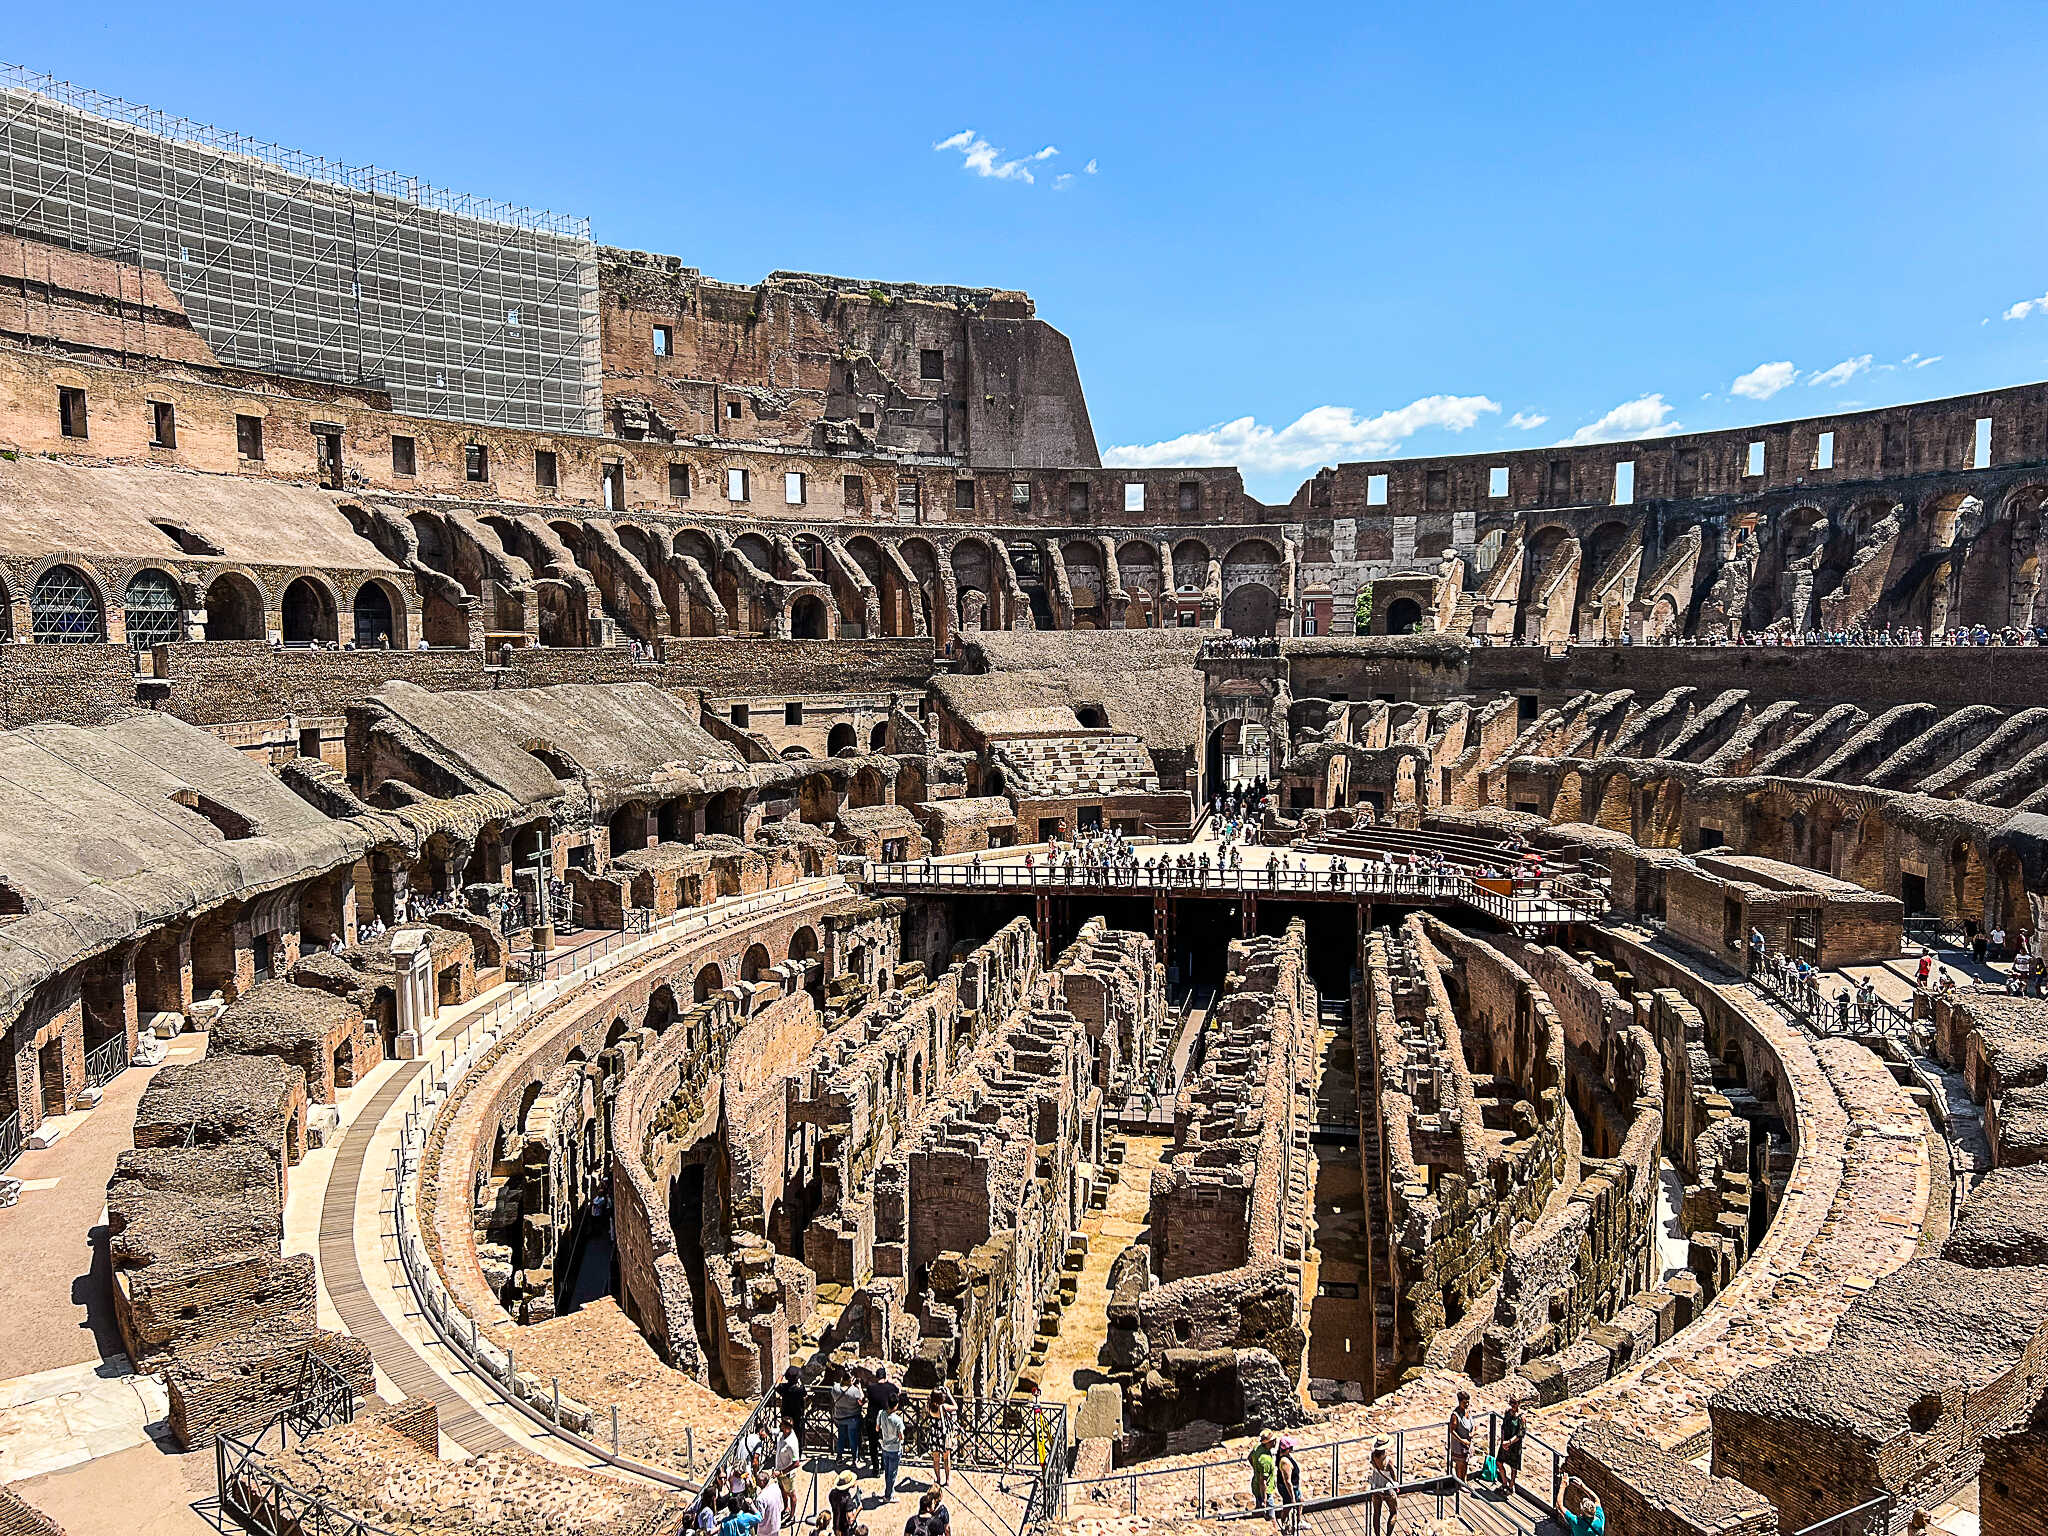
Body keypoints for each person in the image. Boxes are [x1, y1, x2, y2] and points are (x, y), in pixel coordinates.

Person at [830, 1370, 864, 1467]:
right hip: (852, 1418)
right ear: (850, 1380)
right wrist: (859, 1387)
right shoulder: (854, 1391)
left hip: (839, 1417)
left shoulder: (835, 1388)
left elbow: (835, 1394)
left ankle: (839, 1458)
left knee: (841, 1438)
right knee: (853, 1439)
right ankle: (854, 1459)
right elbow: (861, 1400)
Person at [1366, 1437, 1398, 1536]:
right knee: (1393, 1512)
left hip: (1376, 1488)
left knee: (1376, 1514)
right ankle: (1388, 1535)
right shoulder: (1388, 1461)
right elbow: (1394, 1477)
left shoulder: (1373, 1456)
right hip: (1387, 1489)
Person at [925, 1386, 956, 1488]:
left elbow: (929, 1400)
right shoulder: (943, 1407)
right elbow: (955, 1407)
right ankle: (947, 1479)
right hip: (943, 1434)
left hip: (934, 1434)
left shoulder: (928, 1406)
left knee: (936, 1459)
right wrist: (949, 1395)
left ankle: (938, 1479)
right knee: (946, 1458)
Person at [877, 1397, 906, 1503]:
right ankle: (888, 1496)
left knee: (887, 1472)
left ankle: (889, 1491)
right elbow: (901, 1436)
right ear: (896, 1405)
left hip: (885, 1447)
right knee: (892, 1473)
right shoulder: (898, 1420)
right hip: (895, 1448)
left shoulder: (881, 1413)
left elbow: (877, 1428)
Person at [1497, 1397, 1526, 1496]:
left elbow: (1520, 1434)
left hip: (1515, 1446)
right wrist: (1503, 1442)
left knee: (1514, 1468)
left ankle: (1511, 1486)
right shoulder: (1507, 1412)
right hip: (1505, 1443)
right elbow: (1503, 1427)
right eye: (1511, 1402)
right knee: (1499, 1462)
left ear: (1519, 1403)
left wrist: (1509, 1443)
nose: (1512, 1405)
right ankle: (1504, 1483)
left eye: (1515, 1403)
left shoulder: (1521, 1417)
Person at [1447, 1390, 1475, 1482]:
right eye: (1464, 1403)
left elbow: (1473, 1424)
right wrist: (1462, 1440)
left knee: (1466, 1462)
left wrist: (1472, 1432)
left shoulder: (1468, 1411)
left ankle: (1465, 1481)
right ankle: (1459, 1483)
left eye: (1467, 1402)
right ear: (1459, 1402)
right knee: (1460, 1464)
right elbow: (1452, 1431)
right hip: (1459, 1444)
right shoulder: (1455, 1415)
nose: (1466, 1404)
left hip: (1467, 1442)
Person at [776, 1417, 802, 1507]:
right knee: (782, 1490)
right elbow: (773, 1432)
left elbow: (796, 1463)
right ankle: (786, 1507)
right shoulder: (781, 1433)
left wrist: (782, 1472)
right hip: (779, 1470)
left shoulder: (792, 1443)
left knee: (791, 1494)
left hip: (787, 1474)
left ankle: (792, 1515)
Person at [1248, 1429, 1278, 1509]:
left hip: (1256, 1486)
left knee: (1260, 1510)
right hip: (1265, 1491)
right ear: (1270, 1442)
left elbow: (1249, 1457)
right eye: (1274, 1440)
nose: (1276, 1441)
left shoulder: (1257, 1447)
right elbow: (1263, 1482)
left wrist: (1257, 1469)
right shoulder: (1265, 1460)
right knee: (1270, 1514)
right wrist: (1264, 1500)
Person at [828, 1471, 862, 1536]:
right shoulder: (848, 1499)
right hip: (844, 1529)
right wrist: (859, 1509)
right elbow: (850, 1520)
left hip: (835, 1524)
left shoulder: (832, 1493)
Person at [1274, 1437, 1302, 1514]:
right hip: (1288, 1488)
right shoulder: (1284, 1461)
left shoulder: (1285, 1456)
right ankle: (1284, 1521)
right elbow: (1287, 1481)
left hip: (1294, 1486)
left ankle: (1299, 1521)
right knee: (1288, 1506)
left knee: (1300, 1502)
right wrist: (1292, 1497)